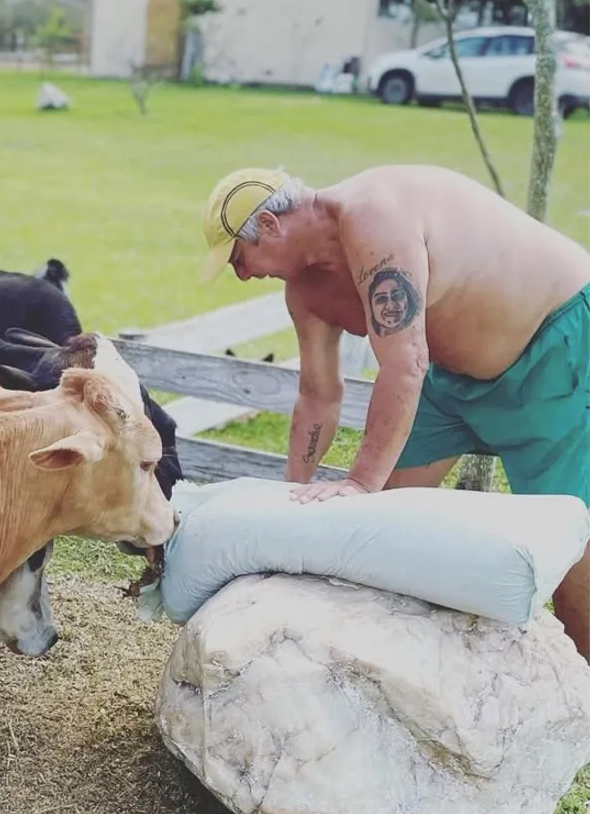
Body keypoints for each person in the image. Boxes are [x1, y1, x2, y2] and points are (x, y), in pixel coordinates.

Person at [197, 164, 590, 658]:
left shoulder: (374, 217)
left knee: (570, 544)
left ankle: (584, 693)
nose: (242, 274)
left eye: (239, 256)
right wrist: (289, 497)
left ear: (272, 226)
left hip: (554, 347)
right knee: (379, 527)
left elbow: (403, 364)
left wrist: (359, 480)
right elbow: (318, 395)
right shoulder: (304, 291)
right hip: (446, 376)